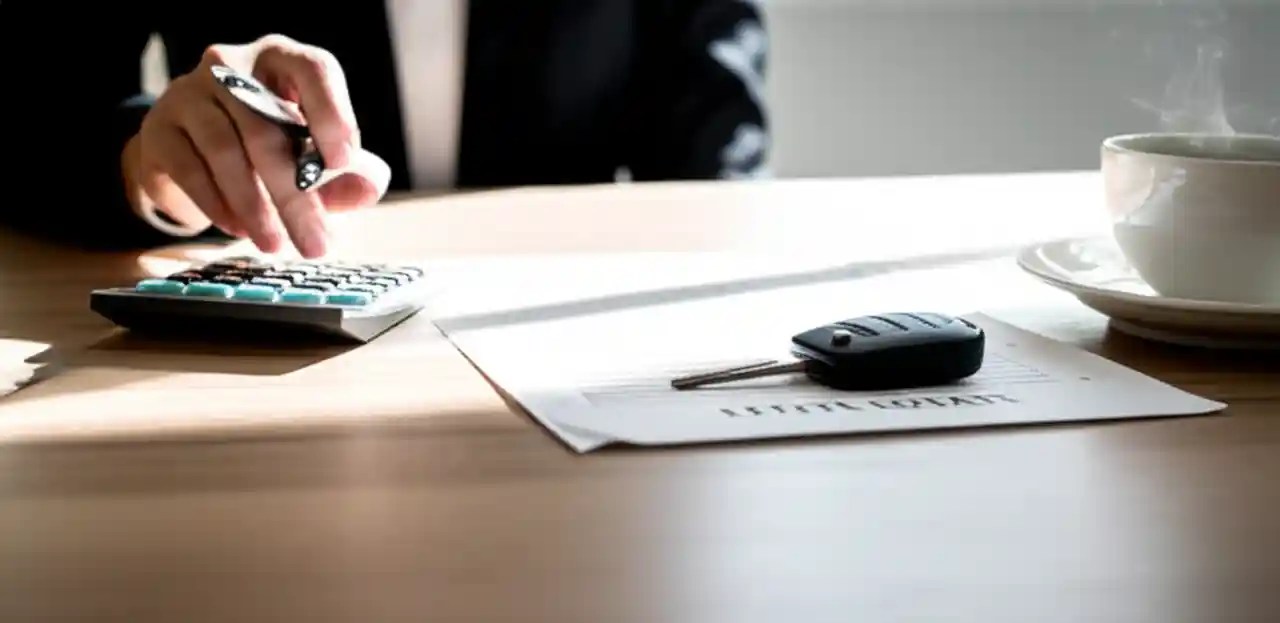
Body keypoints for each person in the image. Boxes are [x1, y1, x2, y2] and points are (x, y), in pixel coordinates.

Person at [0, 2, 769, 257]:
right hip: (253, 350)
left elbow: (716, 156)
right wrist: (153, 173)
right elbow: (34, 121)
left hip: (569, 355)